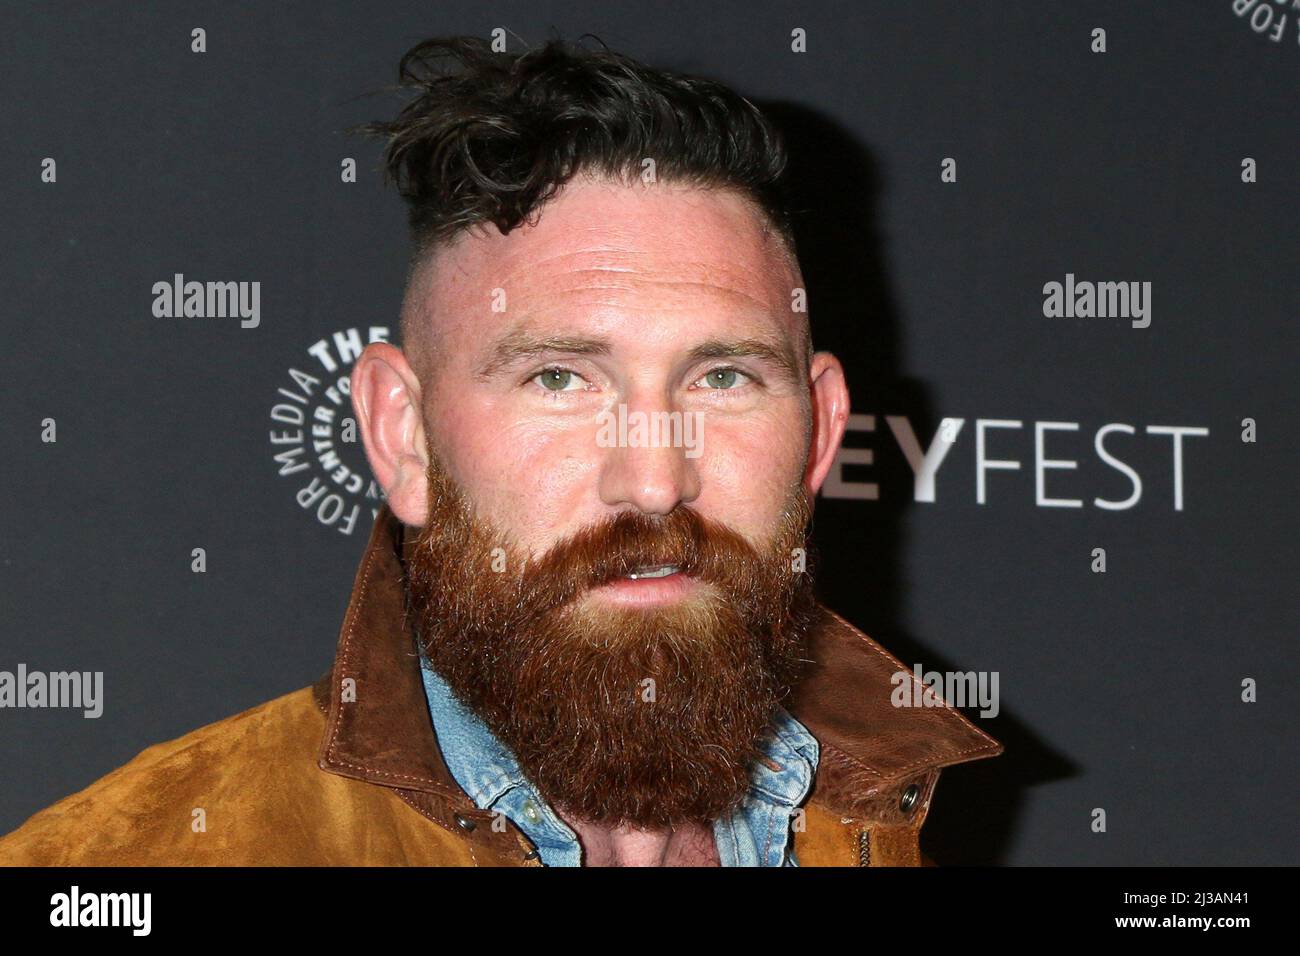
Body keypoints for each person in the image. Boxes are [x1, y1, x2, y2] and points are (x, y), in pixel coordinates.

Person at [0, 35, 1002, 867]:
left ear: (822, 429)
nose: (653, 477)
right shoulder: (122, 860)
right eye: (561, 379)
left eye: (722, 378)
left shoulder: (897, 834)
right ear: (403, 436)